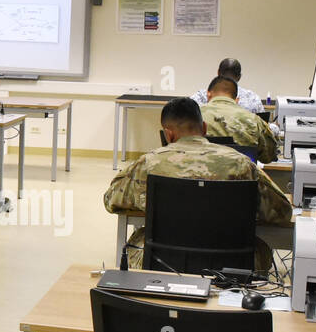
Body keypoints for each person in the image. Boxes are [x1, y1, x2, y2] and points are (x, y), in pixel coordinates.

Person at [105, 97, 292, 270]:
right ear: (204, 128)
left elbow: (111, 200)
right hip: (233, 264)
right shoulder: (242, 163)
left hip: (162, 260)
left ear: (168, 135)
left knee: (135, 242)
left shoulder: (148, 163)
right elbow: (282, 212)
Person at [199, 76, 278, 163]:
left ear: (208, 94)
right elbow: (269, 156)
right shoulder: (253, 120)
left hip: (199, 174)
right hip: (240, 175)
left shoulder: (194, 116)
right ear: (236, 100)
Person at [189, 58, 265, 114]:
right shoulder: (252, 98)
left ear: (218, 73)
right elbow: (264, 125)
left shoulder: (201, 96)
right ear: (239, 77)